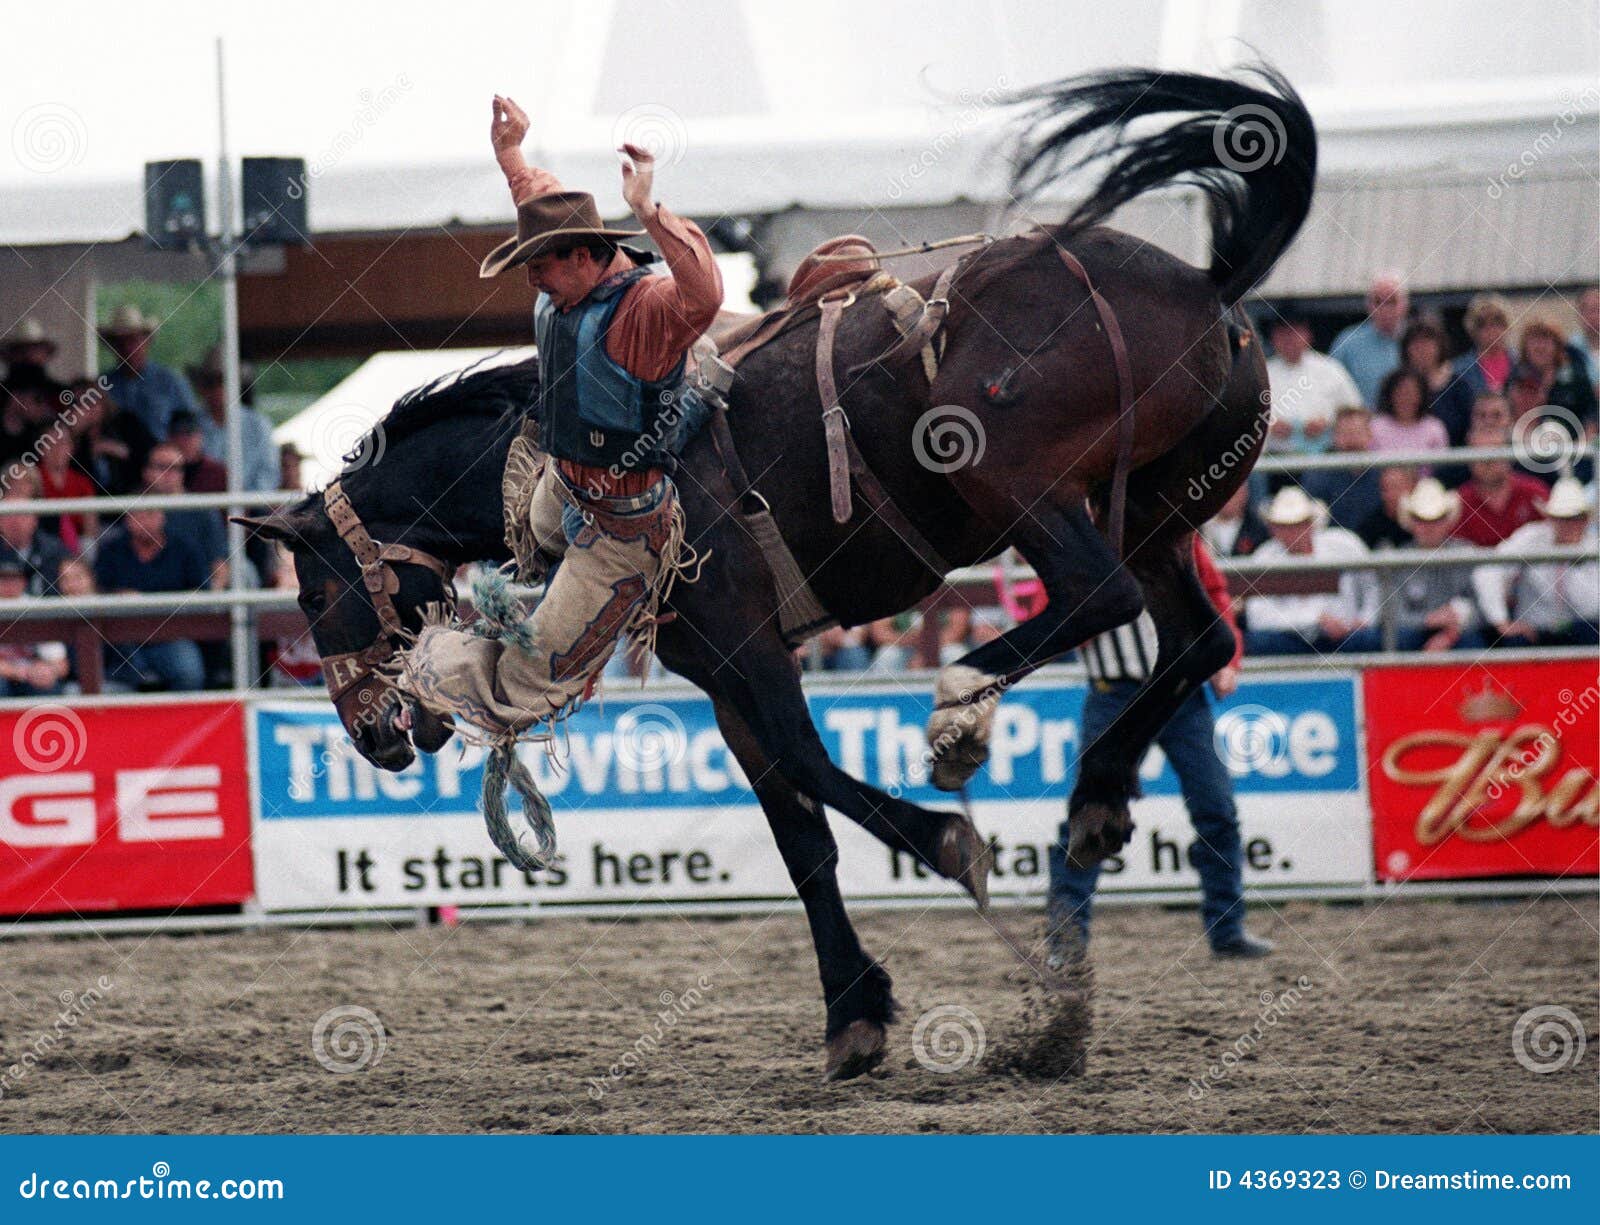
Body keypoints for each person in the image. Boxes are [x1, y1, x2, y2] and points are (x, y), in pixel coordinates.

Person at [395, 96, 722, 737]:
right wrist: (511, 151)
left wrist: (648, 211)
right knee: (521, 526)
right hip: (560, 486)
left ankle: (446, 697)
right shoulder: (566, 271)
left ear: (582, 257)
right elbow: (537, 195)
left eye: (540, 265)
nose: (531, 280)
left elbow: (705, 293)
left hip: (621, 528)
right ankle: (501, 607)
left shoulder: (645, 311)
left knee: (534, 667)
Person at [1049, 536, 1273, 960]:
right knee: (1091, 816)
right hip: (1118, 694)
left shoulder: (1179, 532)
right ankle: (1066, 939)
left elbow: (1213, 593)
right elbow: (1054, 605)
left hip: (1178, 691)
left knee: (1216, 808)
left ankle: (1228, 929)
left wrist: (1227, 657)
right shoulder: (1081, 533)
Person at [1243, 486, 1378, 655]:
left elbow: (1373, 585)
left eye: (1297, 524)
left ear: (1310, 523)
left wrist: (1365, 619)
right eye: (1283, 526)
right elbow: (1258, 617)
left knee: (1372, 638)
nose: (1291, 532)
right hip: (1290, 641)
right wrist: (1314, 620)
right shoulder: (1264, 557)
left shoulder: (1344, 544)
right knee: (1259, 641)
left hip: (1346, 636)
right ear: (1273, 529)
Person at [92, 507, 208, 691]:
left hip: (172, 635)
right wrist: (119, 597)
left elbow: (201, 591)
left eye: (151, 514)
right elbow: (97, 591)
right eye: (138, 516)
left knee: (189, 673)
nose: (145, 522)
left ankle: (179, 713)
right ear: (128, 520)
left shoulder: (183, 547)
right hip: (122, 640)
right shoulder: (111, 550)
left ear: (162, 517)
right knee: (114, 681)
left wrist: (174, 604)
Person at [1473, 477, 1598, 648]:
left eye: (1575, 518)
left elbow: (1590, 608)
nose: (1568, 524)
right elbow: (1487, 571)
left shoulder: (1594, 547)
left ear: (1586, 520)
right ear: (1550, 518)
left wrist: (1572, 559)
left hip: (1579, 631)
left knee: (1590, 631)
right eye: (1561, 517)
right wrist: (1501, 621)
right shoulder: (1531, 537)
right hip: (1533, 631)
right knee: (1514, 641)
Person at [1390, 479, 1485, 651]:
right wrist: (1428, 620)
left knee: (1472, 641)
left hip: (1459, 632)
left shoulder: (1466, 554)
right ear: (1411, 522)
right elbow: (1392, 615)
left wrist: (1451, 632)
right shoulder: (1398, 560)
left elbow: (1481, 609)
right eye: (1421, 519)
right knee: (1401, 637)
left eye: (1436, 519)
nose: (1429, 527)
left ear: (1447, 520)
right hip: (1414, 633)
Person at [1263, 310, 1360, 456]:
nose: (1289, 339)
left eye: (1294, 333)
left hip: (1325, 456)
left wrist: (1329, 422)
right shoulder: (1262, 373)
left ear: (1308, 335)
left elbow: (1355, 410)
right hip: (1275, 457)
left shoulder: (1331, 368)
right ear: (1273, 338)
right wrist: (1269, 426)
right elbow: (1247, 418)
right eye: (1283, 333)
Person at [99, 304, 201, 441]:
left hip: (163, 452)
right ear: (112, 346)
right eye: (120, 342)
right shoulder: (102, 386)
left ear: (147, 341)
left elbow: (192, 428)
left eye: (133, 340)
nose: (127, 348)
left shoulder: (171, 382)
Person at [190, 347, 279, 492]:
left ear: (237, 385)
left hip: (250, 503)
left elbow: (268, 474)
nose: (218, 389)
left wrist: (247, 501)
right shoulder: (190, 424)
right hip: (200, 503)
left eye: (224, 381)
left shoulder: (258, 425)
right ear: (201, 387)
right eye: (210, 382)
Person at [1433, 294, 1513, 445]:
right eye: (1482, 323)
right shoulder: (1456, 370)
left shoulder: (1521, 365)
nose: (1491, 329)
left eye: (1497, 321)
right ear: (1472, 329)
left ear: (1507, 325)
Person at [1453, 425, 1548, 546]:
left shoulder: (1534, 493)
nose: (1488, 462)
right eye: (1480, 455)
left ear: (1510, 454)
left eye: (1495, 453)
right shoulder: (1459, 504)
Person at [1330, 272, 1409, 406]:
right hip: (1362, 418)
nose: (1385, 308)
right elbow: (1330, 386)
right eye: (1378, 301)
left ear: (1404, 305)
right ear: (1368, 305)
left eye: (1392, 301)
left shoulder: (1417, 342)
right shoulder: (1347, 342)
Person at [1301, 406, 1381, 533]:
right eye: (1345, 433)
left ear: (1369, 435)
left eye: (1357, 432)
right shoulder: (1318, 475)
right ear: (1334, 437)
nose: (1352, 440)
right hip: (1332, 540)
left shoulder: (1383, 473)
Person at [0, 557, 70, 697]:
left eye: (14, 578)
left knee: (48, 685)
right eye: (3, 579)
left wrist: (48, 671)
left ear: (24, 582)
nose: (9, 584)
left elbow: (61, 664)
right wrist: (17, 671)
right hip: (6, 676)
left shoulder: (37, 608)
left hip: (32, 677)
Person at [0, 469, 67, 596]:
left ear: (35, 519)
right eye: (8, 514)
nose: (15, 521)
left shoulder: (54, 552)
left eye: (21, 514)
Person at [1369, 368, 1448, 455]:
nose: (1406, 399)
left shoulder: (1434, 428)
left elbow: (1442, 462)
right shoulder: (1374, 427)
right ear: (1390, 394)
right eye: (1401, 393)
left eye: (1412, 393)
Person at [167, 410, 229, 492]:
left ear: (200, 437)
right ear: (169, 439)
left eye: (189, 434)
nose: (183, 442)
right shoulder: (162, 471)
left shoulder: (217, 473)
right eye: (178, 435)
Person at [1359, 464, 1418, 550]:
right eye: (1385, 489)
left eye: (1395, 487)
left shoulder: (1427, 520)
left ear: (1412, 487)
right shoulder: (1372, 526)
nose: (1390, 495)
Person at [1400, 317, 1452, 401]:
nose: (1422, 350)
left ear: (1440, 346)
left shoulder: (1458, 385)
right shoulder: (1397, 386)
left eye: (1427, 343)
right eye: (1416, 344)